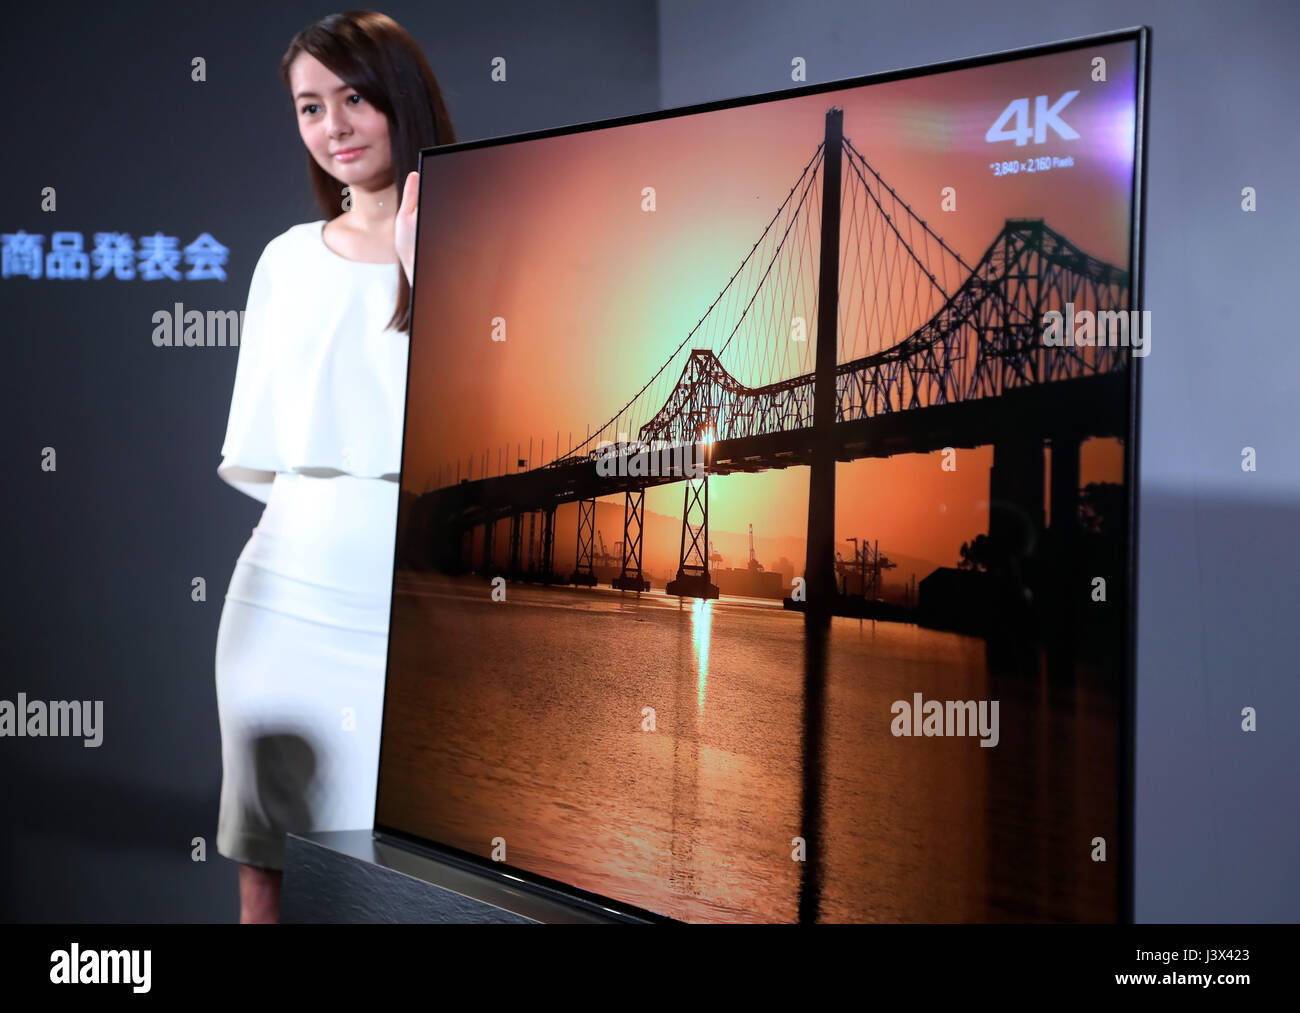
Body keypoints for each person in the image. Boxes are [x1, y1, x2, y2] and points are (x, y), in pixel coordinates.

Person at [213, 11, 454, 923]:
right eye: (311, 107)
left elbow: (495, 411)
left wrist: (428, 265)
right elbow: (270, 461)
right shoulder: (284, 261)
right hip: (281, 601)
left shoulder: (471, 255)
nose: (335, 126)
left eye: (356, 98)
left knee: (406, 881)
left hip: (409, 617)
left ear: (403, 98)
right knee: (264, 867)